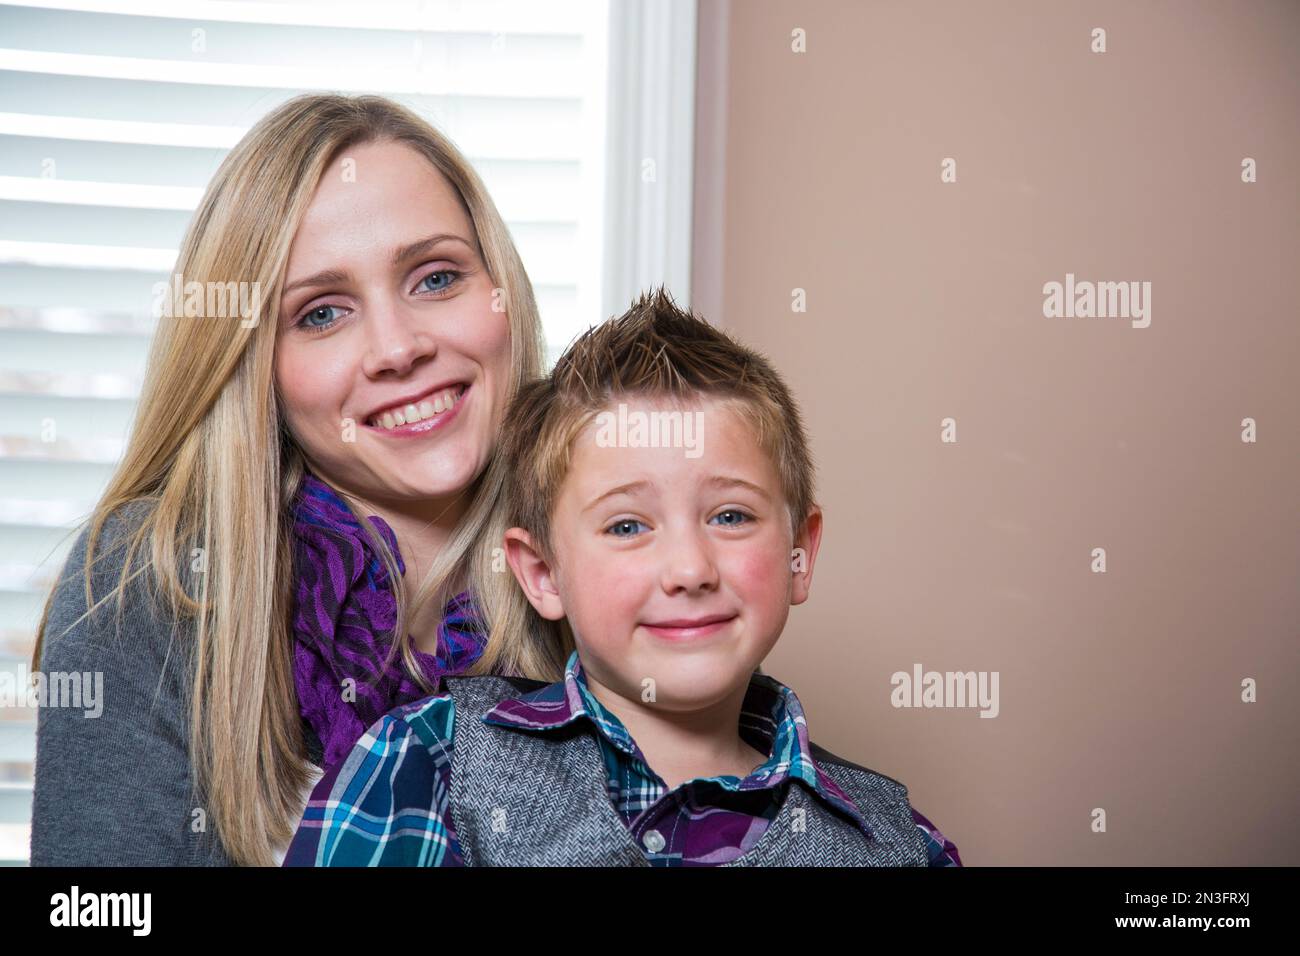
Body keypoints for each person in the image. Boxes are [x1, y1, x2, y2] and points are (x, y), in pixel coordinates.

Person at [29, 94, 570, 866]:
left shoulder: (620, 554)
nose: (397, 348)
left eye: (436, 277)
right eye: (321, 313)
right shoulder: (147, 583)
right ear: (252, 366)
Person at [284, 289, 962, 866]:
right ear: (542, 574)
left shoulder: (901, 843)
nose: (690, 570)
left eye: (729, 516)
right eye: (628, 527)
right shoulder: (427, 766)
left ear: (799, 553)